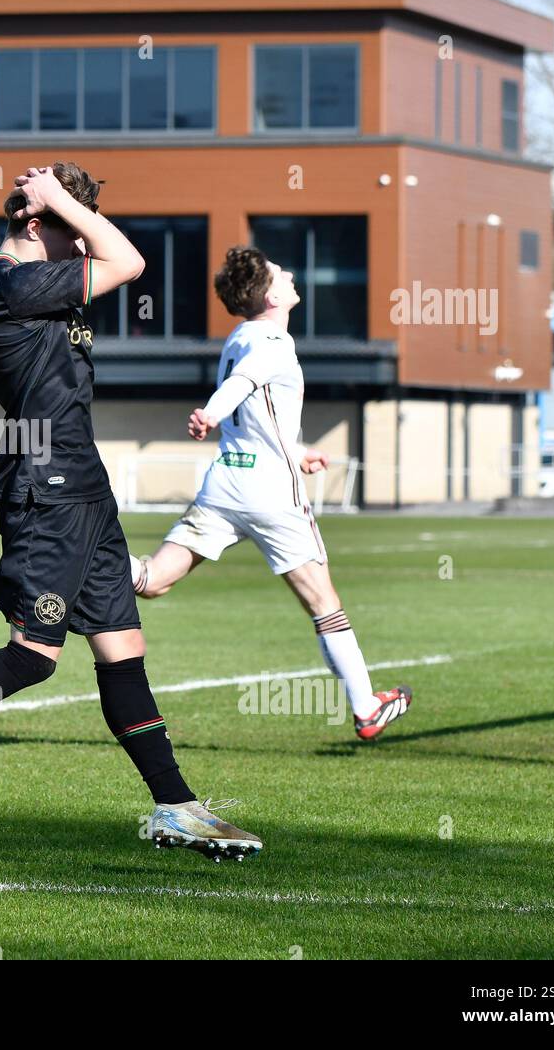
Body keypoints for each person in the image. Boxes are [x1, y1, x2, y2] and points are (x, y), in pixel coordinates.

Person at [0, 164, 262, 860]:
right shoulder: (11, 285)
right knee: (34, 658)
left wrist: (65, 205)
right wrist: (64, 203)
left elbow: (111, 258)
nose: (84, 247)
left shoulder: (43, 279)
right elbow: (129, 260)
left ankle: (175, 806)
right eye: (72, 232)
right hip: (45, 489)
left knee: (122, 651)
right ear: (38, 223)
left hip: (86, 488)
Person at [130, 246, 411, 740]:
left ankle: (82, 565)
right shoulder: (275, 342)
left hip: (225, 483)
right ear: (271, 294)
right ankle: (367, 707)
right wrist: (211, 414)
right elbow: (241, 387)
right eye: (282, 274)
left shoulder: (240, 336)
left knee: (154, 580)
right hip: (270, 494)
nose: (291, 276)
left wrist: (298, 450)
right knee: (325, 604)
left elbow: (258, 410)